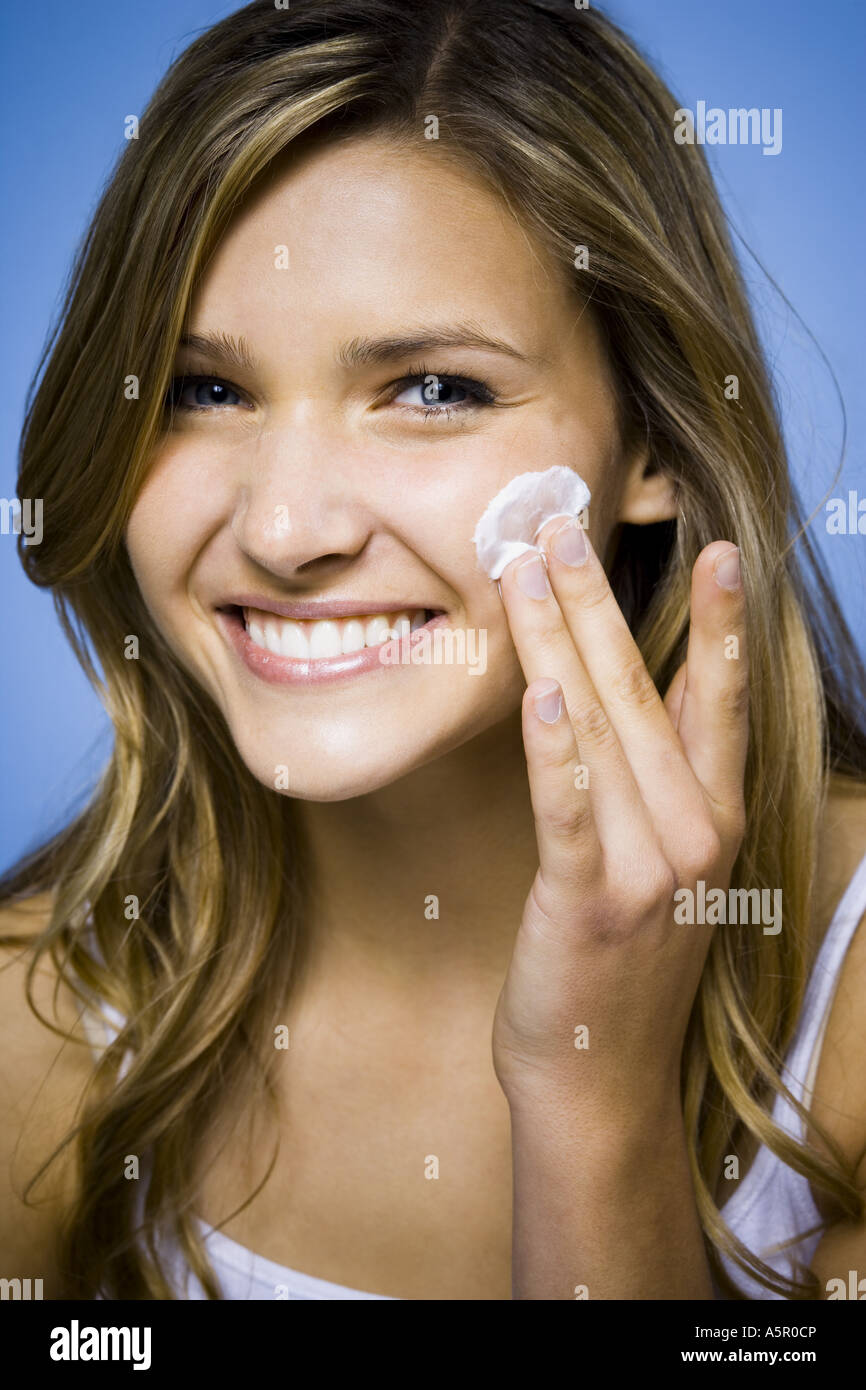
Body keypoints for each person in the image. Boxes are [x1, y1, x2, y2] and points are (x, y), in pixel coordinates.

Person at [1, 0, 865, 1301]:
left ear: (651, 449)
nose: (286, 529)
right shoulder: (31, 1026)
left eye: (432, 390)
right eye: (204, 389)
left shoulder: (846, 995)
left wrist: (590, 1092)